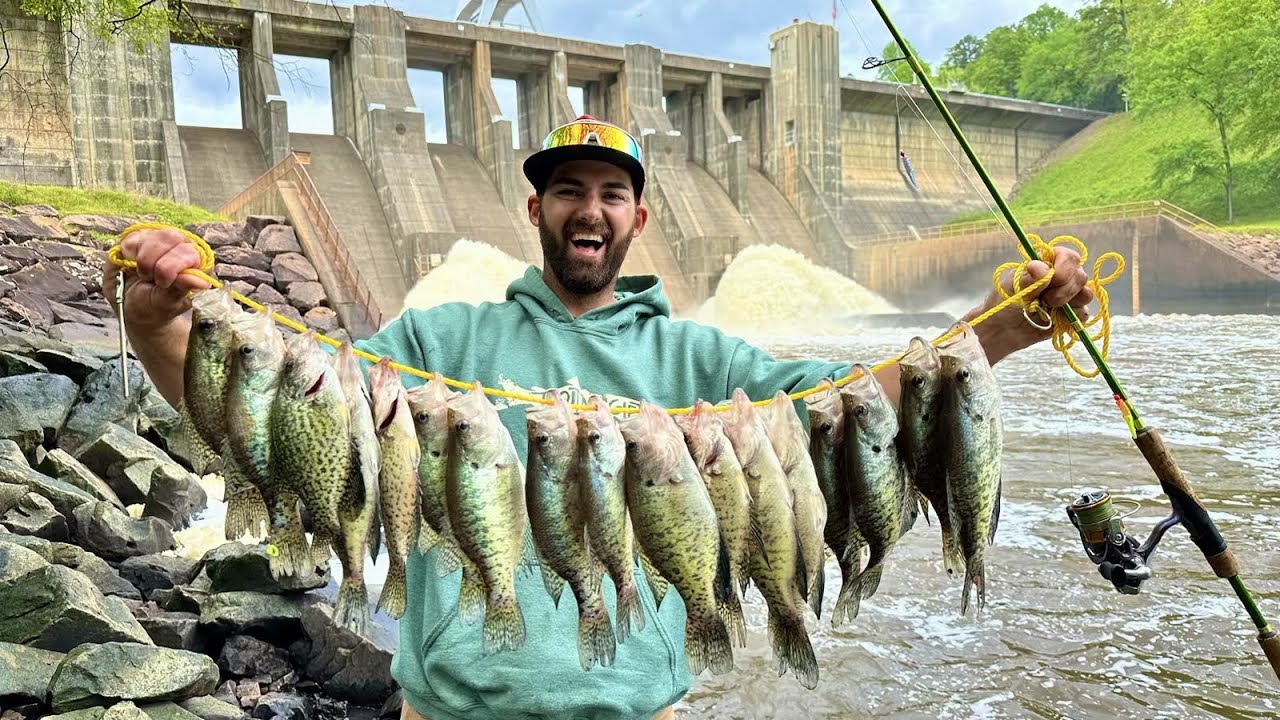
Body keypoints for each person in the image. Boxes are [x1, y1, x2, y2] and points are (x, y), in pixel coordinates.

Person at [107, 114, 1093, 720]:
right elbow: (277, 415)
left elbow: (854, 402)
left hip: (636, 713)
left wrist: (999, 330)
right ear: (534, 212)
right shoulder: (442, 338)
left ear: (637, 218)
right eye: (567, 190)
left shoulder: (697, 360)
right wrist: (158, 320)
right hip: (452, 715)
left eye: (611, 193)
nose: (590, 209)